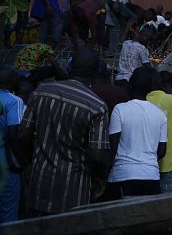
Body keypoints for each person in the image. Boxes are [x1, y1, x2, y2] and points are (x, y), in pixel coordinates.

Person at [19, 50, 111, 216]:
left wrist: (27, 164)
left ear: (69, 66)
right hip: (74, 189)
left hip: (38, 180)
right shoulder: (97, 106)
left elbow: (23, 135)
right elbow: (97, 156)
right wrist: (100, 180)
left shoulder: (42, 91)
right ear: (95, 72)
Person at [105, 67, 167, 200]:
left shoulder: (120, 110)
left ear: (130, 85)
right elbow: (162, 151)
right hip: (151, 176)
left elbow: (113, 147)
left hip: (122, 175)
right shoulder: (160, 114)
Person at [0, 66, 23, 223]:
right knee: (8, 210)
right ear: (14, 82)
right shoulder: (14, 101)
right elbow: (14, 135)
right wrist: (22, 161)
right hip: (5, 162)